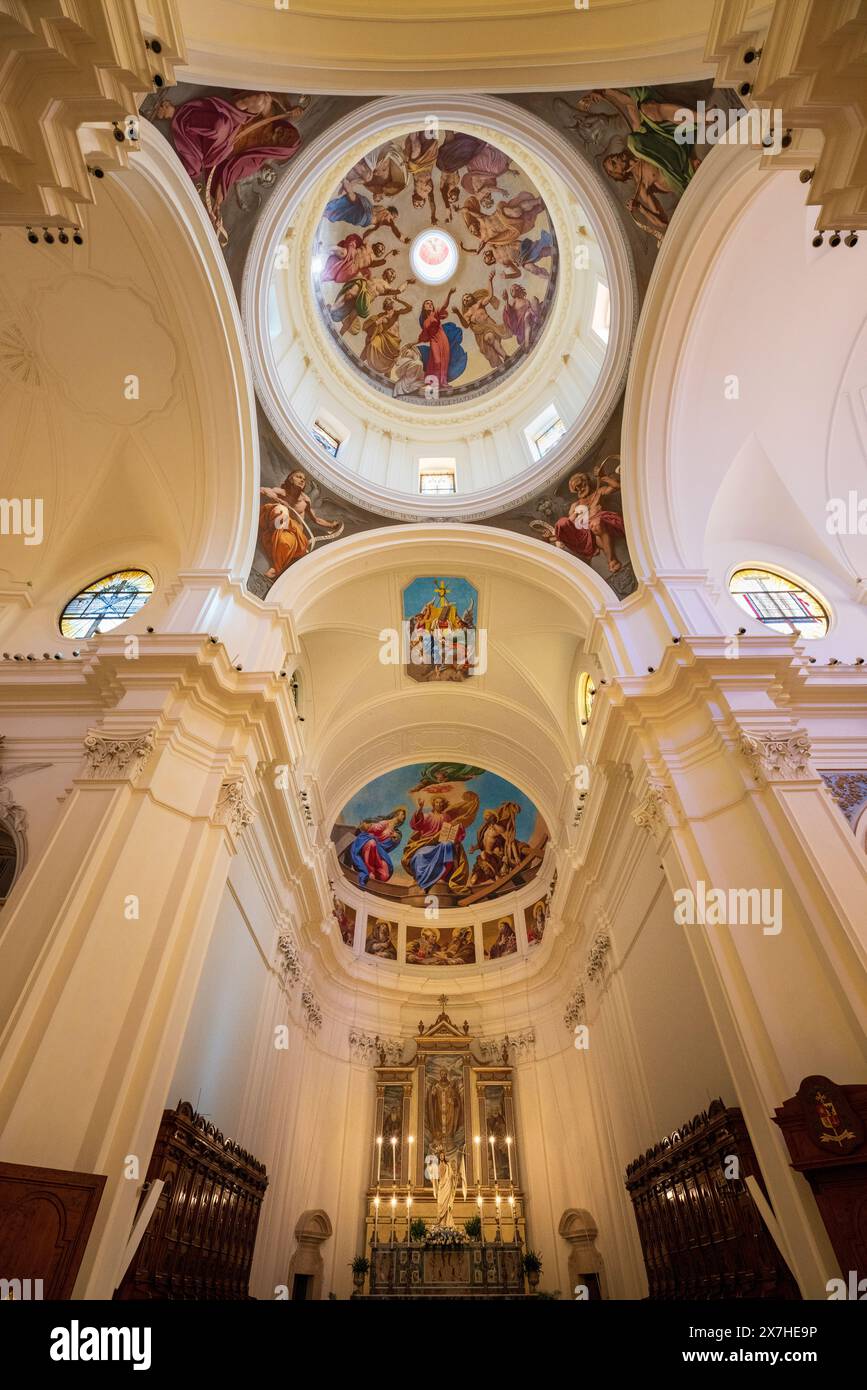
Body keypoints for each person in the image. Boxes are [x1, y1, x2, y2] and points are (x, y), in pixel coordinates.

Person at [257, 469, 340, 580]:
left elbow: (316, 520)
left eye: (304, 479)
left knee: (285, 542)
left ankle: (276, 567)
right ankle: (277, 532)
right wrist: (277, 499)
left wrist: (331, 525)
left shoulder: (306, 501)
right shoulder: (281, 492)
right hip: (278, 524)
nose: (302, 480)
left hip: (293, 533)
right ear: (291, 479)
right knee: (281, 510)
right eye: (299, 477)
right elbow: (261, 489)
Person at [553, 459, 625, 574]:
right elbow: (569, 522)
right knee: (561, 522)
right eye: (576, 489)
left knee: (595, 524)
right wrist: (578, 512)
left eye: (580, 485)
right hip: (584, 532)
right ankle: (587, 548)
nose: (580, 489)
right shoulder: (575, 505)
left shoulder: (599, 492)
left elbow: (617, 486)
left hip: (601, 522)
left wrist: (603, 477)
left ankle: (611, 560)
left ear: (586, 482)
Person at [402, 790, 479, 893]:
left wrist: (457, 827)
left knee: (447, 846)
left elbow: (453, 829)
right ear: (434, 804)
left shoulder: (446, 817)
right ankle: (423, 882)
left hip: (441, 843)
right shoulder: (427, 816)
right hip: (426, 843)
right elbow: (416, 825)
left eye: (441, 802)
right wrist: (420, 808)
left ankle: (441, 877)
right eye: (437, 802)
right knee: (420, 855)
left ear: (444, 804)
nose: (439, 804)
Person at [349, 808, 406, 888]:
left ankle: (374, 876)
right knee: (372, 843)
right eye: (402, 814)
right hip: (367, 842)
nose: (404, 817)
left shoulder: (396, 832)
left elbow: (389, 846)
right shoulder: (385, 823)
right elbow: (372, 829)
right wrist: (368, 825)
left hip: (380, 851)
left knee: (385, 875)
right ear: (396, 814)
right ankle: (369, 871)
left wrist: (394, 839)